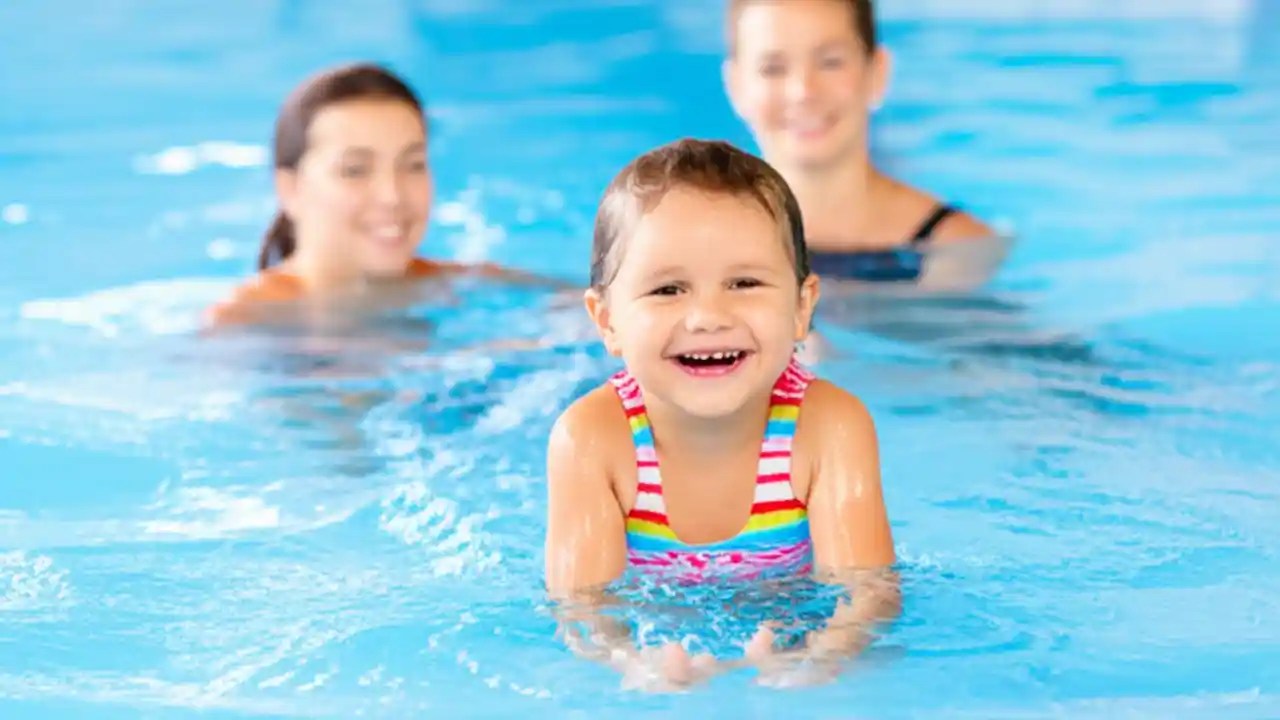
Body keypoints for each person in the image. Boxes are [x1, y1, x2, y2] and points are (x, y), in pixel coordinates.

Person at [544, 138, 899, 690]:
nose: (708, 316)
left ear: (803, 307)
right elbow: (582, 609)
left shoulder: (828, 427)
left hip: (790, 616)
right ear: (606, 319)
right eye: (668, 289)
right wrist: (634, 664)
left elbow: (867, 592)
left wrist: (818, 658)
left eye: (744, 283)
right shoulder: (593, 439)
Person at [206, 62, 556, 328]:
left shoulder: (468, 285)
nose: (392, 196)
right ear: (291, 189)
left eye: (413, 164)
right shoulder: (243, 323)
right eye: (355, 170)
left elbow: (599, 317)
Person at [722, 0, 1007, 291]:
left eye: (830, 62)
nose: (803, 91)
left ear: (877, 72)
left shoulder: (956, 246)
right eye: (773, 68)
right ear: (736, 86)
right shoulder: (702, 237)